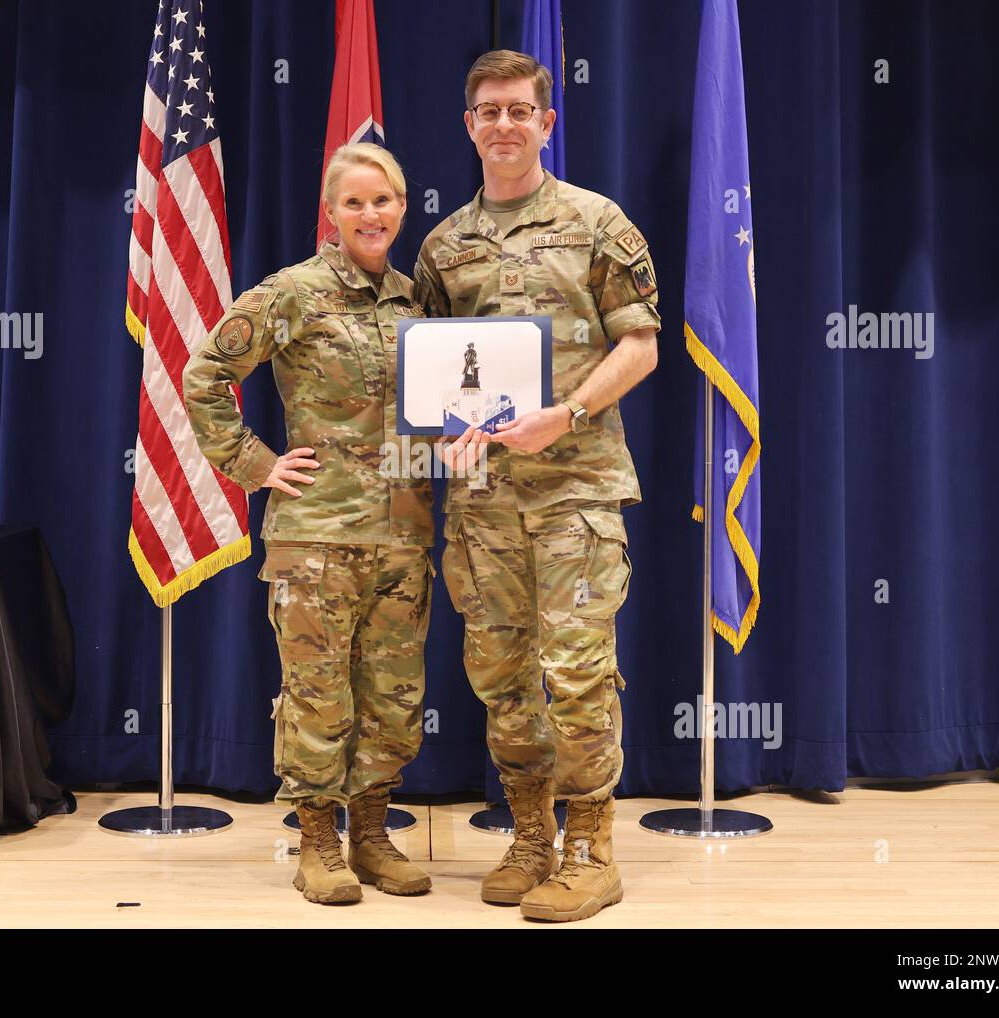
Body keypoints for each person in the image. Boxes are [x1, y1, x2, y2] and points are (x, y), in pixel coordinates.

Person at [414, 50, 661, 922]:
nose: (505, 124)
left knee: (579, 670)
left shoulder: (599, 224)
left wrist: (569, 413)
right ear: (470, 125)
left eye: (522, 109)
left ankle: (592, 852)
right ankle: (531, 838)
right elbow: (433, 372)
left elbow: (641, 345)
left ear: (547, 123)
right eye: (489, 111)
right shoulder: (445, 245)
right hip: (482, 504)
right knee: (500, 674)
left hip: (576, 494)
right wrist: (442, 430)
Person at [184, 143, 434, 905]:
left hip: (403, 535)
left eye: (383, 201)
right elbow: (205, 376)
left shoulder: (416, 302)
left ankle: (370, 834)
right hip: (317, 537)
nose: (370, 215)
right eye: (354, 202)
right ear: (331, 212)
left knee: (392, 699)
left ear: (401, 208)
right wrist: (256, 465)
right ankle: (317, 842)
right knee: (319, 695)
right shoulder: (291, 293)